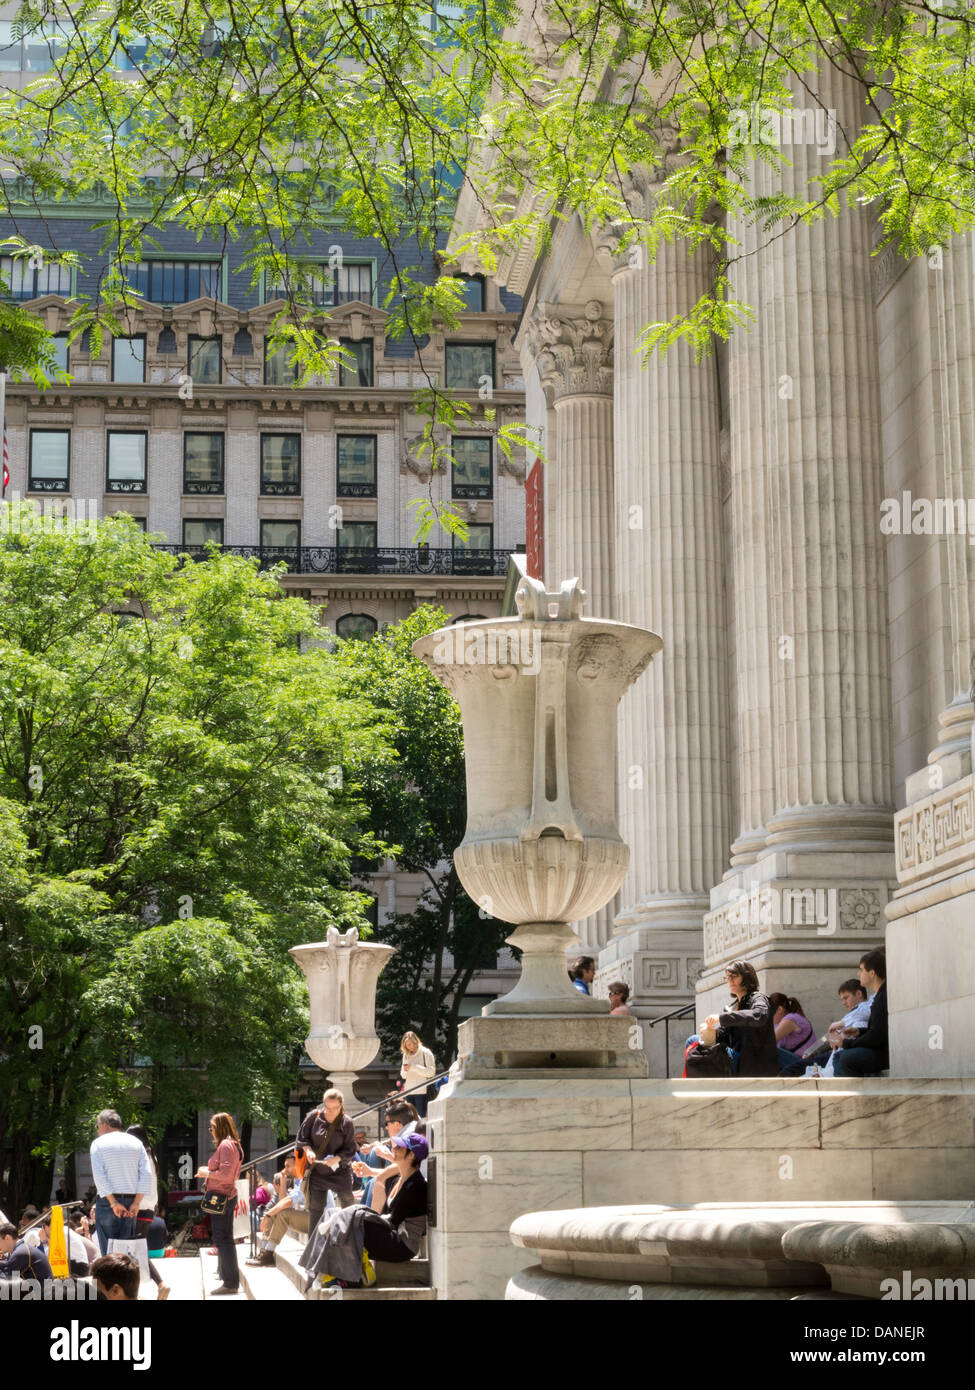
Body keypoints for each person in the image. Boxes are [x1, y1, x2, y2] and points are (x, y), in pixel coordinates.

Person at [299, 1132, 428, 1289]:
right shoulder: (398, 1179)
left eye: (400, 1147)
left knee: (354, 1219)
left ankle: (346, 1276)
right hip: (392, 1235)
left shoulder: (416, 1185)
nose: (394, 1149)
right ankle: (315, 1270)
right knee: (331, 1214)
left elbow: (393, 1221)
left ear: (411, 1155)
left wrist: (359, 1214)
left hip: (402, 1245)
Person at [90, 1109, 152, 1256]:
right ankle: (125, 1279)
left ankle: (111, 1279)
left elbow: (99, 1177)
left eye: (98, 1126)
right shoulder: (136, 1143)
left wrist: (112, 1202)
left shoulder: (98, 1144)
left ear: (105, 1125)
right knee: (126, 1251)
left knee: (109, 1253)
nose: (98, 1131)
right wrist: (137, 1202)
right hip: (131, 1201)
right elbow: (146, 1174)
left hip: (107, 1202)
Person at [295, 1088, 357, 1235]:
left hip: (340, 1171)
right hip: (318, 1171)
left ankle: (352, 1239)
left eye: (334, 1108)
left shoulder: (346, 1122)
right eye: (327, 1107)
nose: (330, 1111)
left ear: (341, 1105)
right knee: (315, 1208)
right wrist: (309, 1150)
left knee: (348, 1203)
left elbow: (350, 1149)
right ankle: (312, 1246)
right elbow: (302, 1139)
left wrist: (337, 1158)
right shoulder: (314, 1117)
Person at [780, 979, 872, 1076]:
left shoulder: (866, 1010)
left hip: (840, 1056)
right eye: (842, 999)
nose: (843, 1002)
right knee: (793, 1069)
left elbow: (866, 1012)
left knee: (791, 1070)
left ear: (858, 994)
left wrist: (840, 1025)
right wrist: (811, 1051)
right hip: (832, 1054)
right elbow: (827, 1037)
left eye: (846, 998)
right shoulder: (852, 1014)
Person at [196, 1111, 244, 1296]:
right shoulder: (234, 1145)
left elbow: (225, 1175)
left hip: (222, 1197)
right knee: (224, 1239)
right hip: (225, 1197)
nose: (211, 1131)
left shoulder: (226, 1145)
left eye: (212, 1128)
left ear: (220, 1128)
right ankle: (228, 1279)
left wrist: (205, 1173)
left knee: (223, 1240)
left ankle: (230, 1282)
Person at [702, 960, 778, 1076]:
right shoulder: (732, 1007)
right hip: (736, 1056)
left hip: (754, 1061)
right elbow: (726, 1038)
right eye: (728, 977)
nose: (730, 980)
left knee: (694, 1043)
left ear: (746, 977)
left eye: (734, 976)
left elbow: (759, 1015)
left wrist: (722, 1017)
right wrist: (711, 1032)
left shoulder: (758, 998)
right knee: (694, 1041)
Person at [125, 1124, 171, 1300]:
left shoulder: (139, 1155)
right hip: (150, 1208)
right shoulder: (152, 1156)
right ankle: (151, 1287)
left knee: (134, 1252)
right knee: (137, 1251)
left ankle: (158, 1284)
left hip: (139, 1206)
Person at [245, 1154, 308, 1268]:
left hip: (318, 1219)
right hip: (307, 1218)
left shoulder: (304, 1178)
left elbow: (287, 1202)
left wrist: (268, 1215)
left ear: (297, 1165)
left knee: (280, 1213)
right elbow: (282, 1202)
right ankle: (264, 1251)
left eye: (288, 1166)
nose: (285, 1169)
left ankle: (268, 1253)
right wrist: (283, 1180)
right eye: (285, 1166)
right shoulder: (296, 1180)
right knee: (277, 1211)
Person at [833, 949, 888, 1077]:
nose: (859, 974)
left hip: (886, 1053)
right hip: (881, 1049)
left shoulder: (883, 997)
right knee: (841, 1056)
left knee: (846, 1058)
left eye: (862, 970)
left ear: (872, 973)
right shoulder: (880, 995)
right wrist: (859, 1031)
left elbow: (877, 1037)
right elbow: (877, 1030)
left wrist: (846, 1043)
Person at [769, 993, 816, 1072]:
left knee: (770, 1050)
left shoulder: (790, 1019)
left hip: (804, 1063)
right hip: (797, 1061)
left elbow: (769, 1041)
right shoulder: (779, 1023)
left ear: (780, 1009)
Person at [398, 1032, 436, 1117]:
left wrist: (414, 1067)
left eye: (410, 1044)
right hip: (409, 1091)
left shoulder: (425, 1052)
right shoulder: (406, 1055)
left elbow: (431, 1072)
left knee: (421, 1117)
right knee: (411, 1118)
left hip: (422, 1091)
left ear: (415, 1041)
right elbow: (403, 1075)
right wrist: (406, 1070)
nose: (409, 1046)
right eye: (406, 1045)